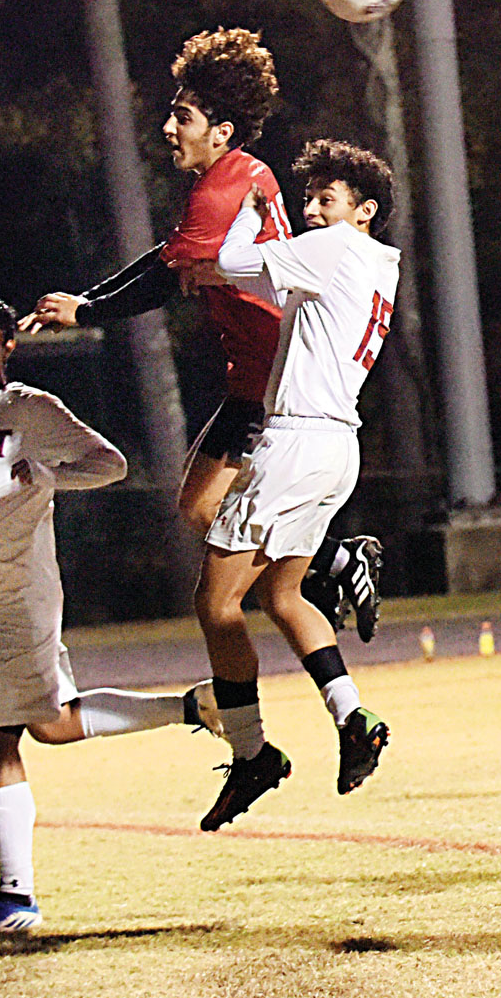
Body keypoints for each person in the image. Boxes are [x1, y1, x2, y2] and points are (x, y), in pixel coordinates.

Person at [19, 27, 382, 640]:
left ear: (222, 131)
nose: (167, 126)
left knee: (223, 557)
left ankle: (262, 688)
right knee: (198, 508)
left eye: (181, 115)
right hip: (255, 371)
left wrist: (86, 313)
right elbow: (170, 259)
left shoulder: (226, 184)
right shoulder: (234, 178)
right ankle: (333, 564)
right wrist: (88, 302)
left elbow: (164, 278)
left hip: (271, 379)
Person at [0, 292, 222, 933]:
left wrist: (45, 471)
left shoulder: (29, 408)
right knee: (50, 726)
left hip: (24, 590)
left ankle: (17, 898)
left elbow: (108, 464)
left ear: (7, 346)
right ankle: (194, 706)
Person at [184, 139, 399, 832]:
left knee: (215, 602)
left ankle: (252, 753)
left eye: (326, 199)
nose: (311, 210)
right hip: (339, 443)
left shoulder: (335, 247)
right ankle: (353, 717)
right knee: (282, 594)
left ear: (364, 211)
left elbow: (230, 262)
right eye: (307, 199)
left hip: (298, 438)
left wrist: (252, 208)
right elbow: (263, 286)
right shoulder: (372, 263)